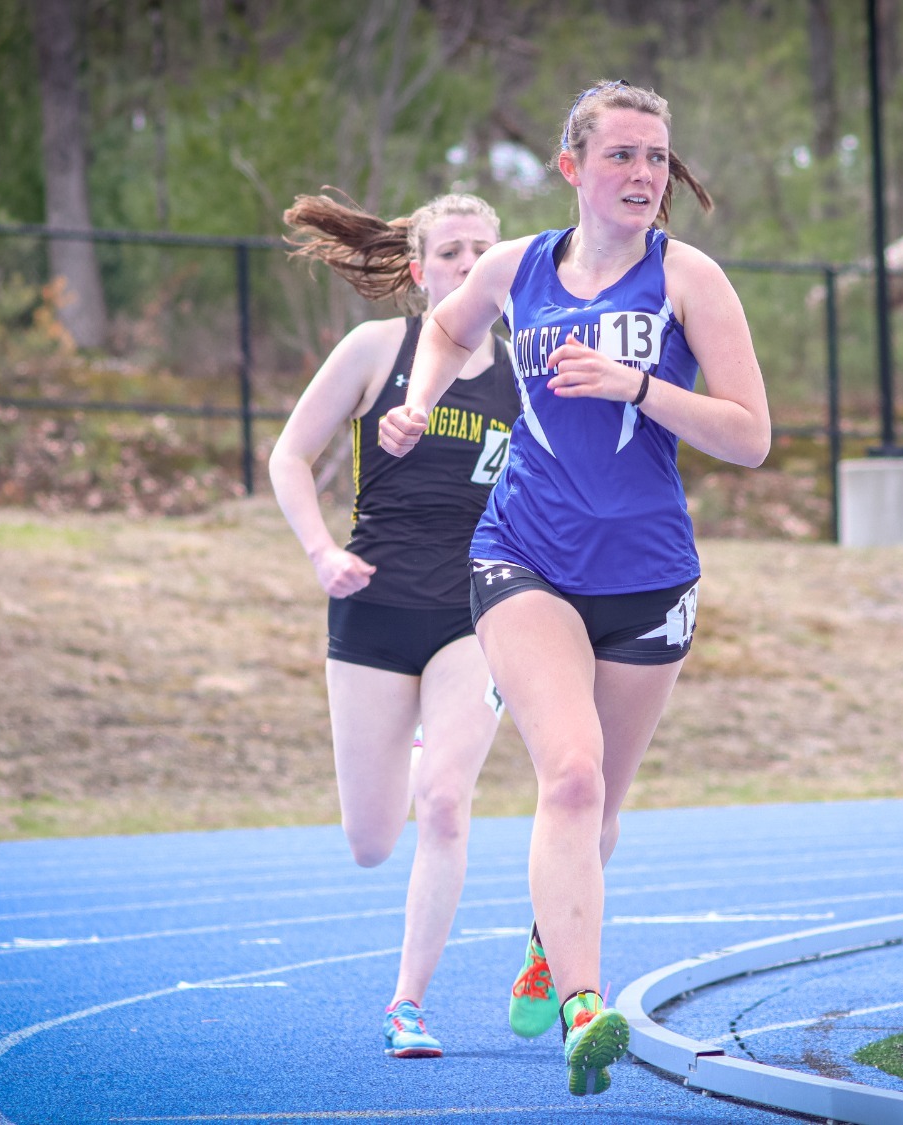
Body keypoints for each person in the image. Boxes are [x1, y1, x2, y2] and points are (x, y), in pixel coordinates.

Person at [379, 80, 770, 1096]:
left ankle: (550, 942)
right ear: (571, 168)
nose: (642, 176)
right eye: (621, 157)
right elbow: (446, 329)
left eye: (655, 158)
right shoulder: (516, 269)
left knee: (600, 812)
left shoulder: (689, 281)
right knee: (571, 776)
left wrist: (638, 384)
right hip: (525, 556)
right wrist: (419, 402)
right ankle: (586, 1008)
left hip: (649, 575)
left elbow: (750, 438)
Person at [268, 191, 520, 1060]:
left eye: (482, 251)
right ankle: (410, 756)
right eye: (450, 252)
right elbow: (289, 455)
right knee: (373, 841)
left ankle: (407, 1003)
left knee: (446, 801)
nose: (467, 265)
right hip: (372, 604)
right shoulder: (380, 350)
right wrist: (319, 553)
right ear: (419, 271)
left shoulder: (527, 370)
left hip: (477, 609)